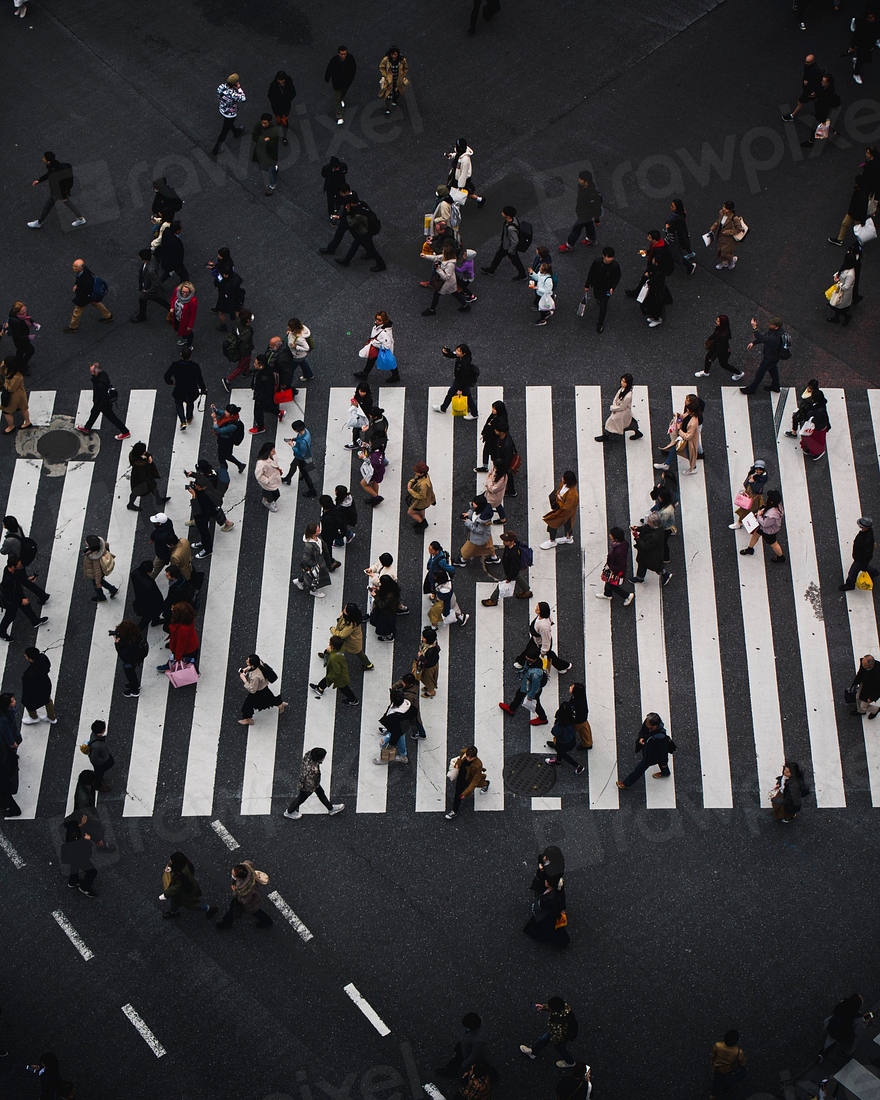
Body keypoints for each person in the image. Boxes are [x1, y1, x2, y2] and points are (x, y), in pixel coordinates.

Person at [28, 151, 85, 229]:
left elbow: (64, 183)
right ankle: (80, 218)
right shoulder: (54, 166)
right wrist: (39, 180)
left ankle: (39, 222)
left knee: (48, 206)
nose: (42, 159)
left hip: (58, 192)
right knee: (67, 203)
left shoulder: (57, 172)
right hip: (59, 192)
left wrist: (63, 195)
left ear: (48, 161)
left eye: (44, 158)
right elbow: (50, 173)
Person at [284, 748, 345, 819]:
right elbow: (310, 783)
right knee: (301, 798)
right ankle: (289, 812)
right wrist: (314, 787)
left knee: (321, 793)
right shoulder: (313, 771)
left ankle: (330, 808)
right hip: (308, 786)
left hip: (307, 781)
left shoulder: (308, 755)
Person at [76, 361, 130, 439]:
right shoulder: (103, 374)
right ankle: (87, 428)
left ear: (96, 371)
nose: (90, 372)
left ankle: (125, 432)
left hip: (102, 404)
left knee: (112, 418)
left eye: (92, 371)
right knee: (94, 413)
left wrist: (99, 405)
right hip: (99, 402)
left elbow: (104, 398)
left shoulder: (100, 384)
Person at [616, 712, 672, 788]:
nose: (646, 723)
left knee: (639, 769)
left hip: (651, 756)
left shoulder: (660, 738)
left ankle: (626, 783)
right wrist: (641, 737)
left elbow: (663, 753)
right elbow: (643, 731)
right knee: (661, 765)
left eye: (648, 723)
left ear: (654, 726)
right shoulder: (648, 724)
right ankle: (665, 772)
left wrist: (664, 763)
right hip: (649, 751)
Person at [215, 860, 274, 930]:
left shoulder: (244, 890)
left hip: (250, 904)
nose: (232, 876)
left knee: (252, 911)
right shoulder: (247, 871)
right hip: (254, 897)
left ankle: (226, 924)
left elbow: (245, 901)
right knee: (257, 912)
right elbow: (249, 862)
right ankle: (267, 921)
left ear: (239, 878)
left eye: (233, 875)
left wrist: (235, 892)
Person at [0, 556, 48, 639]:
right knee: (10, 616)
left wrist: (27, 579)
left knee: (27, 608)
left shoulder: (10, 570)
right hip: (12, 601)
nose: (20, 565)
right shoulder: (8, 581)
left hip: (18, 595)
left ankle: (35, 621)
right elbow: (9, 596)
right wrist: (20, 601)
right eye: (18, 564)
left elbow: (18, 579)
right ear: (12, 567)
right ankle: (1, 632)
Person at [520, 998, 579, 1066]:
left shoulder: (562, 1020)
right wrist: (543, 1007)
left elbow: (562, 1034)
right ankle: (533, 1052)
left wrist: (555, 1040)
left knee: (560, 1048)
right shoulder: (564, 1008)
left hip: (560, 1036)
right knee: (544, 1039)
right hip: (559, 1032)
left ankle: (570, 1062)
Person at [515, 602, 571, 671]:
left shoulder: (544, 627)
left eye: (538, 609)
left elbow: (546, 640)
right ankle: (521, 661)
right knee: (528, 649)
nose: (536, 609)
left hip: (540, 643)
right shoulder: (541, 617)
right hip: (536, 639)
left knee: (550, 656)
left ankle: (563, 666)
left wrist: (543, 652)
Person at [161, 852, 218, 920]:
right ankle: (174, 912)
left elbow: (176, 888)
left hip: (185, 893)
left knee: (193, 904)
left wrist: (165, 895)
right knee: (174, 901)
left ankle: (209, 909)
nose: (170, 861)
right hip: (183, 890)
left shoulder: (181, 875)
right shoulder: (184, 864)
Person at [482, 529, 532, 605]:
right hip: (509, 569)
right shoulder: (510, 546)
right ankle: (526, 590)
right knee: (517, 576)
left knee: (501, 584)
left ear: (511, 541)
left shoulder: (514, 554)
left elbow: (514, 569)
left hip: (509, 571)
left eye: (506, 540)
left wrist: (509, 578)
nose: (503, 542)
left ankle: (493, 599)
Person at [655, 393, 701, 476]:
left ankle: (693, 468)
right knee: (674, 448)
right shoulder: (689, 414)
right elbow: (682, 417)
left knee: (689, 454)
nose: (687, 410)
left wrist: (679, 429)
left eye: (688, 410)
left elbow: (688, 436)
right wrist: (678, 417)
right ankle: (667, 464)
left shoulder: (694, 422)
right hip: (683, 437)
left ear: (692, 411)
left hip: (688, 441)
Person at [62, 259, 113, 332]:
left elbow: (83, 293)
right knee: (97, 303)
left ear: (80, 268)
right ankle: (107, 316)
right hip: (90, 294)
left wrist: (76, 290)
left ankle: (73, 326)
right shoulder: (84, 270)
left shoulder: (85, 280)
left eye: (75, 266)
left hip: (85, 297)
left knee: (77, 311)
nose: (73, 268)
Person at [422, 241, 472, 315]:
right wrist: (425, 256)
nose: (442, 252)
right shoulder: (446, 257)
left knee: (437, 294)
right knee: (454, 293)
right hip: (451, 283)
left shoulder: (450, 265)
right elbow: (436, 257)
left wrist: (438, 269)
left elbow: (446, 277)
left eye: (443, 251)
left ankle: (432, 310)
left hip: (446, 283)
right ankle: (465, 305)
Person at [163, 347, 206, 432]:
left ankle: (183, 421)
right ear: (190, 356)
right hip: (191, 390)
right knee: (190, 403)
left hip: (179, 389)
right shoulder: (195, 366)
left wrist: (171, 382)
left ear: (181, 354)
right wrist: (203, 389)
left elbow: (166, 376)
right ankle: (189, 417)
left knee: (178, 403)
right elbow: (199, 379)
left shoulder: (175, 365)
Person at [558, 170, 603, 252]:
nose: (579, 180)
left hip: (585, 215)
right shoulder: (582, 187)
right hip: (582, 212)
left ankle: (569, 245)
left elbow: (596, 207)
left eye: (581, 179)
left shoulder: (591, 194)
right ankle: (592, 239)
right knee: (589, 224)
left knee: (576, 228)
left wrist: (597, 220)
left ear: (586, 182)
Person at [435, 1013, 490, 1079]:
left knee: (458, 1060)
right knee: (457, 1057)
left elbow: (475, 1055)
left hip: (467, 1052)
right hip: (466, 1047)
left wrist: (465, 1064)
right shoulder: (478, 1023)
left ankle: (451, 1071)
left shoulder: (478, 1041)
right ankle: (450, 1069)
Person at [740, 317, 785, 396]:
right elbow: (765, 337)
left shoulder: (775, 338)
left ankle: (752, 389)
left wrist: (755, 328)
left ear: (776, 326)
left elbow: (763, 338)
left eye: (772, 324)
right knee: (773, 371)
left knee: (760, 374)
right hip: (774, 357)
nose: (769, 325)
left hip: (769, 358)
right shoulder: (777, 331)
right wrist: (754, 343)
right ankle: (776, 386)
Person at [499, 652, 549, 725]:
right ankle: (512, 708)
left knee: (536, 704)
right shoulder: (533, 663)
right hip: (527, 684)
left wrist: (530, 696)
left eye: (529, 659)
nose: (527, 659)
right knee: (519, 694)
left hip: (531, 688)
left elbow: (535, 687)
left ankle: (543, 718)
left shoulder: (536, 674)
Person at [309, 635, 360, 706]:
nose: (329, 644)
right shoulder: (340, 648)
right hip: (340, 671)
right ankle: (319, 689)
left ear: (333, 646)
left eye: (330, 643)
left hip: (339, 676)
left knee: (343, 688)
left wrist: (332, 677)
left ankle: (353, 700)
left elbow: (337, 671)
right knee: (327, 679)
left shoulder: (333, 658)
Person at [238, 654, 288, 725]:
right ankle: (280, 704)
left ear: (252, 665)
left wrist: (244, 679)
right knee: (269, 699)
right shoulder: (259, 663)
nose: (246, 661)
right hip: (264, 687)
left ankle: (248, 719)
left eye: (248, 661)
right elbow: (253, 667)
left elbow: (252, 690)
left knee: (247, 706)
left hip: (258, 691)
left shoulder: (256, 677)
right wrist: (247, 669)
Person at [739, 489, 786, 563]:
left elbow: (765, 524)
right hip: (763, 528)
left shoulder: (772, 515)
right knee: (755, 535)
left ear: (771, 501)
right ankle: (750, 548)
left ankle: (780, 557)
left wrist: (759, 515)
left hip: (769, 532)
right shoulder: (776, 505)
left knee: (773, 543)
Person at [481, 206, 527, 280]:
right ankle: (492, 269)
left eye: (503, 213)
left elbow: (515, 241)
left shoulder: (510, 228)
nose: (502, 213)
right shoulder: (514, 219)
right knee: (498, 256)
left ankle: (523, 275)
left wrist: (511, 250)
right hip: (505, 245)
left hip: (508, 247)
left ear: (508, 216)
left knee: (515, 261)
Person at [582, 246, 621, 333]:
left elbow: (618, 276)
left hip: (607, 288)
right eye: (608, 257)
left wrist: (613, 287)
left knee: (603, 306)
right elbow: (591, 273)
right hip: (597, 286)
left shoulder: (615, 265)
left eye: (611, 257)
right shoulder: (597, 262)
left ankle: (600, 323)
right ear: (603, 256)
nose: (609, 259)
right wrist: (587, 285)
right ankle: (599, 299)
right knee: (597, 296)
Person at [434, 344, 479, 417]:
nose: (457, 352)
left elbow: (464, 378)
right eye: (457, 350)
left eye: (459, 351)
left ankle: (474, 414)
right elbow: (452, 354)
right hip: (458, 380)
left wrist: (460, 389)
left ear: (463, 354)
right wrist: (446, 352)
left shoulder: (465, 365)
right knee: (451, 393)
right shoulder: (461, 357)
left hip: (462, 383)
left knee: (467, 397)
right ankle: (443, 408)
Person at [445, 745, 489, 819]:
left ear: (475, 757)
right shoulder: (464, 753)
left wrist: (466, 793)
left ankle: (486, 784)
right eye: (467, 756)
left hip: (470, 779)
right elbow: (460, 759)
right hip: (461, 777)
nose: (468, 759)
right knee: (458, 794)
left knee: (479, 782)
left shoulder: (478, 765)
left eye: (470, 758)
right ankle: (454, 811)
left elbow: (474, 781)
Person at [595, 373, 641, 443]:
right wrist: (614, 405)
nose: (621, 382)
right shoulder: (622, 389)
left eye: (624, 382)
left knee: (610, 422)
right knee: (628, 423)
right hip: (618, 410)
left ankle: (606, 436)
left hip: (622, 412)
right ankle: (637, 432)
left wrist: (613, 408)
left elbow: (622, 407)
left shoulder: (628, 396)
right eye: (622, 380)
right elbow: (616, 398)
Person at [799, 74, 841, 148]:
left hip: (822, 111)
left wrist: (815, 97)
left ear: (828, 83)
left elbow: (822, 100)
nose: (821, 82)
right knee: (823, 122)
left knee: (815, 124)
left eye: (823, 81)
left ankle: (811, 141)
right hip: (821, 109)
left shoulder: (828, 94)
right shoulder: (827, 89)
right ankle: (833, 133)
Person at [630, 513, 672, 587]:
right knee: (643, 564)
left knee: (655, 566)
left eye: (649, 522)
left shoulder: (655, 536)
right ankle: (640, 577)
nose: (647, 522)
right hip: (649, 553)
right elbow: (646, 528)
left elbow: (645, 546)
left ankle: (665, 575)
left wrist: (637, 537)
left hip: (651, 554)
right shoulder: (657, 527)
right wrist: (638, 528)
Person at [695, 315, 742, 380]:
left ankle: (738, 373)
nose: (716, 321)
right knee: (708, 357)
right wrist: (710, 338)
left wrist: (713, 358)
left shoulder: (724, 335)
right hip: (716, 346)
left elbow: (721, 348)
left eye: (718, 321)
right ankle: (706, 372)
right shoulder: (719, 328)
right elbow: (715, 335)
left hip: (723, 352)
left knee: (723, 364)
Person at [829, 174, 870, 247]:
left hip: (856, 215)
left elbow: (863, 209)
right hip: (853, 214)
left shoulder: (862, 195)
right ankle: (840, 239)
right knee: (847, 225)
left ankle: (858, 241)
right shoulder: (861, 191)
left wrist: (862, 220)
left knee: (854, 228)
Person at [596, 526, 634, 605]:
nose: (609, 535)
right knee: (608, 581)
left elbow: (621, 565)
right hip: (613, 567)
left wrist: (610, 568)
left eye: (611, 535)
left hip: (616, 571)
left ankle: (627, 596)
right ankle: (607, 594)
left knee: (611, 585)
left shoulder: (618, 551)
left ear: (616, 539)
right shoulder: (622, 544)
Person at [781, 53, 824, 122]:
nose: (806, 63)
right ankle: (820, 113)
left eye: (808, 62)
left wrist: (814, 90)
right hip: (809, 89)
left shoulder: (815, 71)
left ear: (813, 61)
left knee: (800, 102)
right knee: (816, 100)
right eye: (806, 61)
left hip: (809, 90)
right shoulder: (808, 66)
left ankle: (792, 115)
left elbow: (818, 82)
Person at [130, 248, 170, 323]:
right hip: (148, 286)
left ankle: (142, 316)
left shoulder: (150, 270)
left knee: (143, 300)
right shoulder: (152, 258)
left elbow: (156, 283)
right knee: (158, 299)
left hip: (148, 288)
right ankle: (170, 308)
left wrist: (148, 291)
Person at [157, 601, 199, 671]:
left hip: (187, 650)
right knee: (190, 662)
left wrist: (178, 656)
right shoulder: (188, 620)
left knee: (188, 664)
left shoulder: (182, 629)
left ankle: (171, 666)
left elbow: (181, 644)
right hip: (192, 646)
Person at [542, 470, 578, 549]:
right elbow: (559, 491)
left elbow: (566, 507)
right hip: (563, 511)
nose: (562, 479)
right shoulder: (564, 485)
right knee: (567, 524)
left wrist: (559, 499)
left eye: (563, 478)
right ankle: (568, 538)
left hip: (564, 512)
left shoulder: (572, 495)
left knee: (552, 524)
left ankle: (552, 541)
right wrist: (559, 496)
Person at [211, 74, 246, 155]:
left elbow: (219, 96)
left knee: (228, 124)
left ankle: (235, 131)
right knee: (224, 131)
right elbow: (243, 99)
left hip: (222, 108)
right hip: (230, 113)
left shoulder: (221, 87)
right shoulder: (233, 94)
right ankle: (216, 149)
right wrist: (239, 89)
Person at [353, 311, 394, 381]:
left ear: (384, 321)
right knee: (371, 360)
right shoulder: (378, 327)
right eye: (376, 319)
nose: (377, 321)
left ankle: (395, 374)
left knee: (387, 361)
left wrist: (374, 343)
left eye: (379, 320)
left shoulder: (384, 333)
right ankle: (365, 373)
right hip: (377, 348)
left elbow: (387, 345)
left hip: (381, 349)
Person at [293, 523, 331, 598]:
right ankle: (313, 591)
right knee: (315, 578)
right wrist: (315, 565)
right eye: (318, 530)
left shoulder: (317, 538)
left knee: (310, 576)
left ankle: (299, 581)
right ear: (313, 533)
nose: (320, 530)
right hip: (316, 563)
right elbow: (306, 559)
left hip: (319, 560)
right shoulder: (309, 546)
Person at [795, 382, 830, 461]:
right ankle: (810, 449)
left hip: (818, 428)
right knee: (809, 438)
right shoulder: (820, 405)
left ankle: (818, 452)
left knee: (815, 441)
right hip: (816, 426)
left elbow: (816, 420)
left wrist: (810, 416)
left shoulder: (820, 410)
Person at [20, 647, 56, 724]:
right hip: (45, 684)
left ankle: (34, 717)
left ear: (31, 659)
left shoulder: (30, 674)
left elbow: (28, 687)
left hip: (35, 689)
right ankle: (51, 717)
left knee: (28, 703)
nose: (24, 656)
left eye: (26, 656)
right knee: (47, 700)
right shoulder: (43, 658)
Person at [221, 310, 255, 391]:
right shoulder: (248, 332)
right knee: (240, 366)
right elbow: (244, 346)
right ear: (247, 320)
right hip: (244, 352)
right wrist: (244, 354)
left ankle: (246, 372)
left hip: (236, 345)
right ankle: (228, 379)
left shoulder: (238, 322)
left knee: (247, 360)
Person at [840, 518, 878, 591]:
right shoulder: (868, 533)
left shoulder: (866, 539)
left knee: (852, 572)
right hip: (861, 558)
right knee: (864, 566)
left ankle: (850, 585)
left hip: (860, 559)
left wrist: (863, 562)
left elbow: (867, 554)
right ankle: (873, 573)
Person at [728, 460, 767, 530]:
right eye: (757, 469)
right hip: (751, 493)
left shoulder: (763, 477)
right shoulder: (753, 472)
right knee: (752, 509)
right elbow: (747, 479)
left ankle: (739, 523)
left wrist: (751, 482)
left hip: (754, 495)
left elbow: (756, 490)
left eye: (760, 469)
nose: (758, 471)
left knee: (745, 509)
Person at [546, 703, 584, 774]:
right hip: (571, 740)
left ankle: (578, 766)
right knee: (560, 751)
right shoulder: (571, 719)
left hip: (562, 742)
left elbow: (554, 732)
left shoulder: (561, 725)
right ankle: (558, 761)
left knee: (562, 753)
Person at [112, 619, 147, 697]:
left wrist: (117, 644)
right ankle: (135, 684)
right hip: (137, 657)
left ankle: (134, 690)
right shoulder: (135, 635)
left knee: (130, 673)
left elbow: (124, 656)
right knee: (132, 673)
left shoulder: (130, 644)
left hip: (132, 659)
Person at [707, 200, 746, 270]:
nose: (724, 209)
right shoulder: (721, 213)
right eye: (724, 207)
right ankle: (725, 262)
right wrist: (713, 227)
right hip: (721, 237)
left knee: (725, 253)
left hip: (729, 240)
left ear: (730, 210)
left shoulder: (734, 219)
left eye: (726, 208)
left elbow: (739, 229)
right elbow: (718, 222)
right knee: (721, 251)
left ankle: (731, 260)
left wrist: (728, 232)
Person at [129, 560, 164, 633]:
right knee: (145, 620)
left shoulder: (135, 573)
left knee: (148, 617)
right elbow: (155, 596)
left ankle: (155, 620)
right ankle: (135, 633)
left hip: (140, 600)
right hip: (148, 605)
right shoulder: (149, 585)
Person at [282, 420, 316, 495]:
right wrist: (294, 439)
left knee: (306, 474)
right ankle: (288, 478)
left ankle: (312, 490)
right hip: (300, 457)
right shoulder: (305, 431)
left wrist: (292, 446)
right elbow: (299, 438)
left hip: (302, 459)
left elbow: (302, 454)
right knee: (293, 465)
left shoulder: (303, 442)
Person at [446, 138, 485, 204]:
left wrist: (460, 186)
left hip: (460, 179)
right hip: (456, 175)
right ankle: (479, 199)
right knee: (465, 192)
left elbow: (464, 174)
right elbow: (457, 155)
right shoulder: (461, 153)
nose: (455, 147)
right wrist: (451, 155)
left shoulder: (465, 160)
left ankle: (479, 199)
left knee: (464, 192)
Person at [3, 301, 40, 370]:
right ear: (18, 312)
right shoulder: (15, 322)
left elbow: (27, 317)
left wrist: (34, 323)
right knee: (30, 350)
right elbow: (17, 336)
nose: (25, 311)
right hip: (20, 341)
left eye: (25, 309)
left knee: (20, 351)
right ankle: (22, 367)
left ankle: (18, 362)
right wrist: (28, 337)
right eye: (23, 310)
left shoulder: (22, 315)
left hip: (23, 338)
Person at [324, 45, 357, 124]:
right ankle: (340, 116)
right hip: (337, 83)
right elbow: (329, 69)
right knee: (337, 99)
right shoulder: (334, 61)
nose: (343, 56)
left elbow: (354, 68)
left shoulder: (350, 58)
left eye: (345, 54)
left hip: (346, 83)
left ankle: (342, 99)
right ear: (338, 54)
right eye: (342, 54)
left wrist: (351, 78)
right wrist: (327, 78)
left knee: (343, 93)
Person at [709, 1031, 746, 1097]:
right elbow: (742, 1064)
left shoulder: (718, 1045)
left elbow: (713, 1055)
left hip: (719, 1068)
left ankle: (713, 1095)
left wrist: (712, 1061)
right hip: (729, 1070)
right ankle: (726, 1090)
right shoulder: (738, 1052)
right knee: (727, 1081)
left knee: (716, 1081)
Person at [251, 113, 280, 196]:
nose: (263, 125)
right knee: (263, 168)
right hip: (260, 152)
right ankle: (275, 169)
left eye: (265, 123)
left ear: (270, 122)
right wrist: (264, 139)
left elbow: (272, 144)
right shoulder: (258, 125)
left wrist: (261, 140)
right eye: (262, 123)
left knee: (270, 171)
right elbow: (254, 136)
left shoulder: (274, 131)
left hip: (270, 155)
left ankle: (272, 185)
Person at [211, 261, 245, 332]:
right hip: (236, 297)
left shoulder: (225, 284)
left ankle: (223, 326)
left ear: (226, 274)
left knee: (221, 312)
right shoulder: (235, 277)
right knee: (237, 310)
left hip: (225, 299)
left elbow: (219, 287)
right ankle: (241, 325)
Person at [665, 198, 696, 273]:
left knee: (675, 253)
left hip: (675, 239)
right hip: (673, 237)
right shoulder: (677, 215)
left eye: (673, 206)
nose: (671, 207)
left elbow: (678, 231)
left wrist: (668, 228)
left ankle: (689, 265)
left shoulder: (678, 219)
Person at [0, 359, 31, 433]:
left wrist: (5, 383)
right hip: (19, 395)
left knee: (6, 411)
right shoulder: (10, 371)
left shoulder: (16, 376)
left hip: (15, 396)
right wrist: (1, 367)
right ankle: (27, 422)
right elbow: (1, 373)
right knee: (23, 408)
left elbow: (11, 388)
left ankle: (11, 426)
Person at [82, 720, 114, 792]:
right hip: (100, 762)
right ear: (102, 730)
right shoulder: (98, 746)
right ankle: (97, 785)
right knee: (100, 773)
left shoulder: (94, 735)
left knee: (102, 770)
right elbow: (94, 758)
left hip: (102, 757)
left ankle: (98, 776)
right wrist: (103, 760)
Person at [267, 70, 295, 145]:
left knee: (284, 121)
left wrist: (287, 99)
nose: (281, 81)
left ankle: (284, 137)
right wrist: (275, 101)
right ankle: (278, 118)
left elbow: (293, 93)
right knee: (277, 115)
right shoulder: (273, 86)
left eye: (282, 80)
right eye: (279, 80)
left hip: (285, 106)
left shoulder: (289, 85)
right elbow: (269, 95)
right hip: (276, 106)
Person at [369, 575, 402, 640]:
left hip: (387, 613)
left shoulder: (389, 595)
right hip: (389, 611)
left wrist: (375, 596)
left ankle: (389, 636)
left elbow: (382, 605)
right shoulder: (392, 588)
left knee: (386, 625)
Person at [849, 11, 877, 85]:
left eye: (873, 17)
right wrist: (852, 46)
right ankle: (856, 74)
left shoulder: (874, 25)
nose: (873, 19)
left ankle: (857, 61)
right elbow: (855, 36)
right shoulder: (862, 26)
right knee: (861, 60)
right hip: (862, 46)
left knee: (868, 59)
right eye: (870, 18)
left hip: (870, 46)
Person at [826, 255, 856, 326]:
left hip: (843, 294)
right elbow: (840, 272)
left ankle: (846, 316)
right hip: (840, 291)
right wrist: (836, 275)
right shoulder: (846, 267)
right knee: (837, 306)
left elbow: (846, 287)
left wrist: (838, 282)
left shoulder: (850, 275)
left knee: (839, 307)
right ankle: (837, 318)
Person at [406, 462, 435, 531]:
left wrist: (411, 491)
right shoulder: (424, 476)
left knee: (410, 512)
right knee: (422, 509)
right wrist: (410, 482)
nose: (415, 473)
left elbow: (422, 496)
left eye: (416, 472)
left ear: (421, 473)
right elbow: (415, 479)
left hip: (420, 502)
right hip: (425, 502)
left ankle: (421, 522)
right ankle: (423, 519)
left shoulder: (423, 484)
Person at [379, 46, 408, 114]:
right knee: (388, 93)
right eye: (392, 54)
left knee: (397, 91)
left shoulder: (402, 60)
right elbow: (381, 67)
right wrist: (385, 75)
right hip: (389, 80)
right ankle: (387, 108)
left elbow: (405, 68)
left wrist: (403, 75)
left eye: (395, 54)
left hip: (398, 79)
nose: (394, 56)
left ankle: (394, 100)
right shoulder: (386, 60)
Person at [414, 627, 441, 698]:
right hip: (431, 664)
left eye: (423, 637)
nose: (422, 638)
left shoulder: (430, 651)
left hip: (429, 667)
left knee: (428, 679)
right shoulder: (433, 644)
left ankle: (431, 691)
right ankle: (428, 687)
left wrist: (421, 657)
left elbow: (428, 662)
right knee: (428, 679)